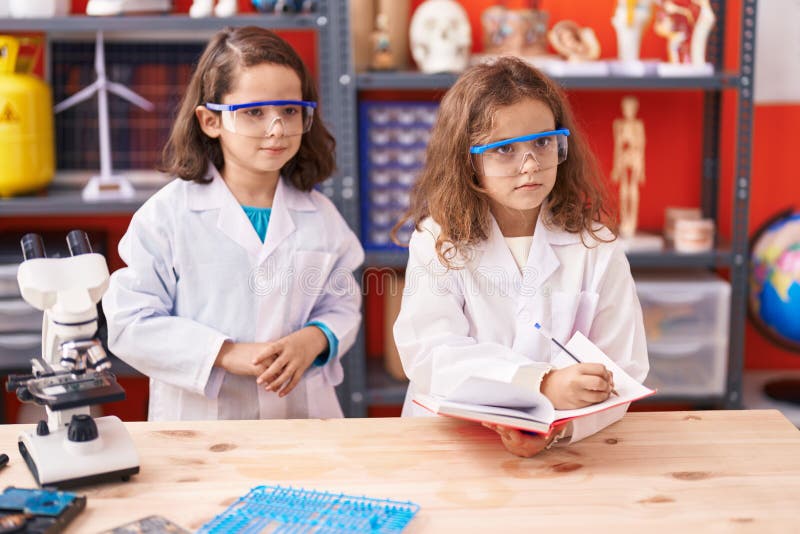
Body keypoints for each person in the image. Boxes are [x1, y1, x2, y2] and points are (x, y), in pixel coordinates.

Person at [102, 27, 363, 421]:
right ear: (210, 121)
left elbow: (342, 304)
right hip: (201, 428)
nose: (277, 129)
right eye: (254, 112)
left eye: (289, 111)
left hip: (302, 421)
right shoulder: (167, 217)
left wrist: (314, 340)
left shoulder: (321, 216)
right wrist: (224, 353)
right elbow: (129, 323)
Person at [392, 57, 648, 457]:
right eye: (505, 149)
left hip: (566, 448)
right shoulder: (435, 241)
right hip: (456, 445)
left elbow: (624, 369)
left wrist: (559, 428)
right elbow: (430, 354)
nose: (530, 165)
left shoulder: (597, 247)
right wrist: (540, 384)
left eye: (543, 142)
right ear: (469, 160)